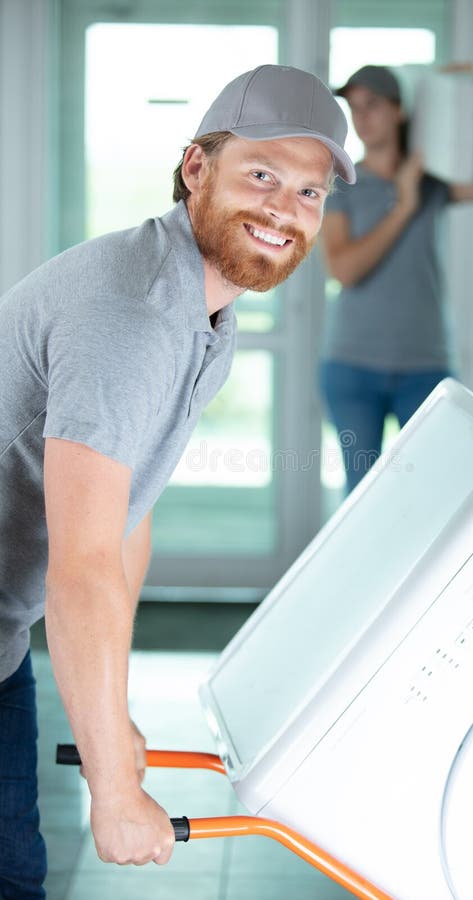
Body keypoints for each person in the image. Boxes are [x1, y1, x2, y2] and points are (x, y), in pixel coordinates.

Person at [0, 64, 355, 896]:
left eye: (309, 193)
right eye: (261, 176)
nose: (284, 209)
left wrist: (109, 718)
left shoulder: (206, 308)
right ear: (196, 167)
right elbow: (81, 565)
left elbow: (127, 516)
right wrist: (115, 793)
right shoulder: (132, 317)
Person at [319, 64, 473, 494]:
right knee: (362, 494)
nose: (362, 118)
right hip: (353, 366)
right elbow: (344, 270)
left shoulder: (431, 182)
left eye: (372, 105)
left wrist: (471, 95)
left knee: (430, 491)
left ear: (399, 111)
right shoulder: (341, 185)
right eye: (354, 108)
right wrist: (402, 207)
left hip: (425, 365)